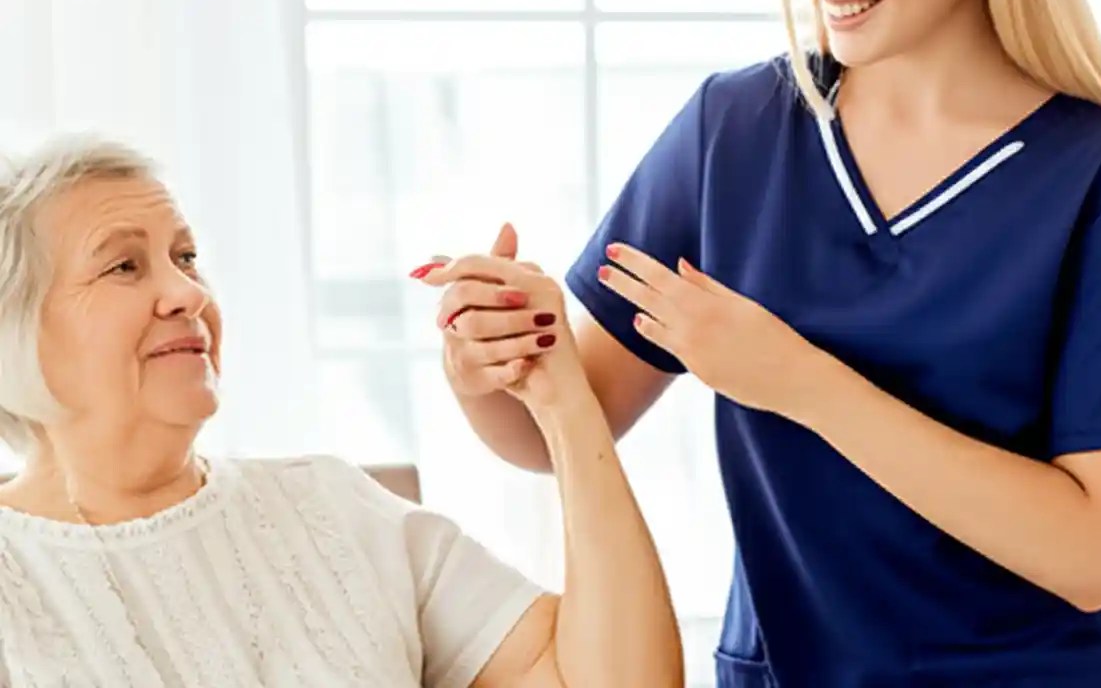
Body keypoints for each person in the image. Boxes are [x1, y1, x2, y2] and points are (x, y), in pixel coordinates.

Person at [429, 0, 1101, 685]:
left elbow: (1093, 555)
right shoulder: (734, 131)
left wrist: (801, 383)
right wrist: (497, 362)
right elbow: (555, 433)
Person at [0, 135, 683, 687]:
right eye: (124, 266)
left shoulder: (332, 508)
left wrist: (562, 401)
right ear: (16, 327)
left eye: (186, 257)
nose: (186, 292)